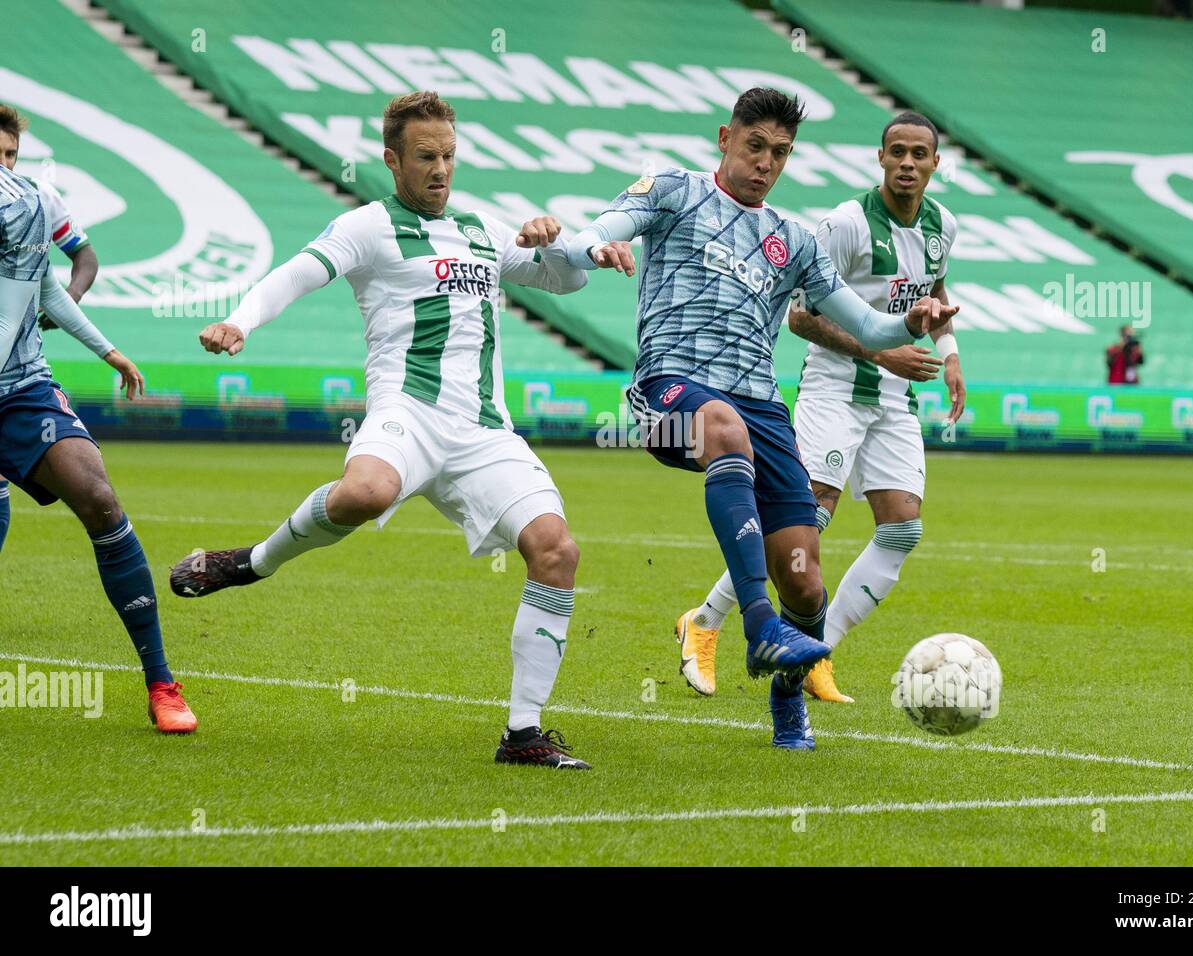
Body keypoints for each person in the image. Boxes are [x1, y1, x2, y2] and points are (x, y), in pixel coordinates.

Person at [168, 92, 630, 769]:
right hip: (406, 413)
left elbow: (562, 282)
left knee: (556, 550)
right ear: (392, 160)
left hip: (482, 431)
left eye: (447, 155)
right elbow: (295, 276)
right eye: (425, 157)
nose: (440, 169)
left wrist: (560, 242)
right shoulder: (367, 226)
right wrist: (241, 321)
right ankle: (252, 563)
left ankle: (522, 735)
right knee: (366, 493)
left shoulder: (480, 225)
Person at [562, 89, 955, 749]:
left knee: (803, 576)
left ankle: (786, 698)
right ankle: (753, 623)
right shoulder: (671, 190)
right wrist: (591, 251)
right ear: (726, 138)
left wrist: (910, 323)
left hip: (761, 411)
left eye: (780, 153)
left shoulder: (794, 239)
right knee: (723, 427)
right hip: (669, 398)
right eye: (755, 147)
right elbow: (595, 232)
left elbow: (864, 323)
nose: (766, 163)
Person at [677, 111, 965, 705]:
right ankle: (704, 620)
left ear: (936, 164)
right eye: (897, 152)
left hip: (893, 397)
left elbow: (934, 290)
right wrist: (881, 355)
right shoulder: (847, 224)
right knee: (806, 520)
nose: (907, 163)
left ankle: (815, 652)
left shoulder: (944, 227)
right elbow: (801, 315)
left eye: (919, 154)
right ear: (880, 158)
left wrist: (950, 350)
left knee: (903, 527)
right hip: (835, 388)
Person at [0, 165, 194, 732]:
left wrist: (106, 350)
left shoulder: (29, 203)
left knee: (99, 497)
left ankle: (161, 683)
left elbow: (46, 286)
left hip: (20, 389)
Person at [0, 103, 105, 553]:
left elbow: (85, 257)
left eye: (11, 154)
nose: (4, 163)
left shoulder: (38, 200)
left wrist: (67, 300)